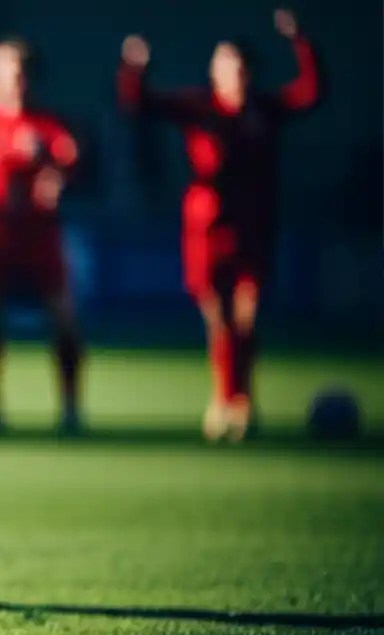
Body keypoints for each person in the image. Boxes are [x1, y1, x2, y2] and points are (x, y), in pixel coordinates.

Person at [118, 9, 319, 441]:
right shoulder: (200, 108)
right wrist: (135, 66)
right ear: (214, 71)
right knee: (219, 321)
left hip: (256, 227)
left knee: (248, 318)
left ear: (252, 72)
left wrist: (302, 41)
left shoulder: (266, 110)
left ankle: (241, 401)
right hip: (207, 229)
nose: (235, 75)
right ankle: (223, 398)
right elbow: (140, 103)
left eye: (241, 67)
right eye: (226, 66)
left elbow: (311, 92)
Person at [0, 40, 82, 436]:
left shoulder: (48, 127)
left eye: (22, 70)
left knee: (63, 320)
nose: (15, 78)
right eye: (7, 68)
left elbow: (68, 164)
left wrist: (56, 178)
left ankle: (70, 408)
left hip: (39, 237)